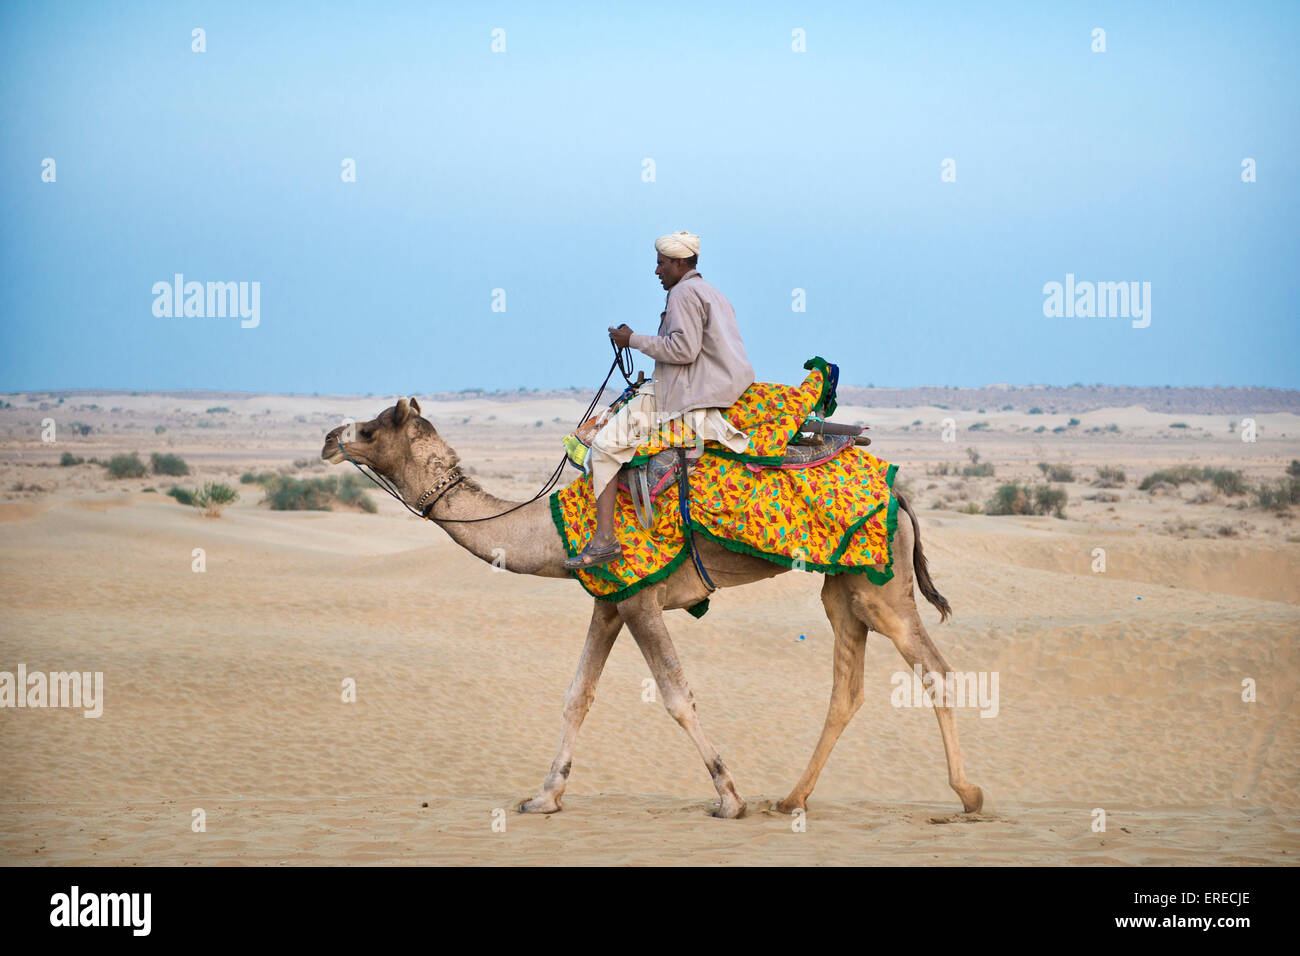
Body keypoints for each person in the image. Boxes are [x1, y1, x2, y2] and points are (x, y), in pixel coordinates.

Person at [563, 231, 755, 570]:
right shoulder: (712, 293)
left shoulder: (683, 293)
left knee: (604, 445)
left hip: (690, 394)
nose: (657, 272)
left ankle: (605, 539)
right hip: (710, 387)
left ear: (680, 264)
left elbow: (683, 349)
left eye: (661, 264)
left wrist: (631, 339)